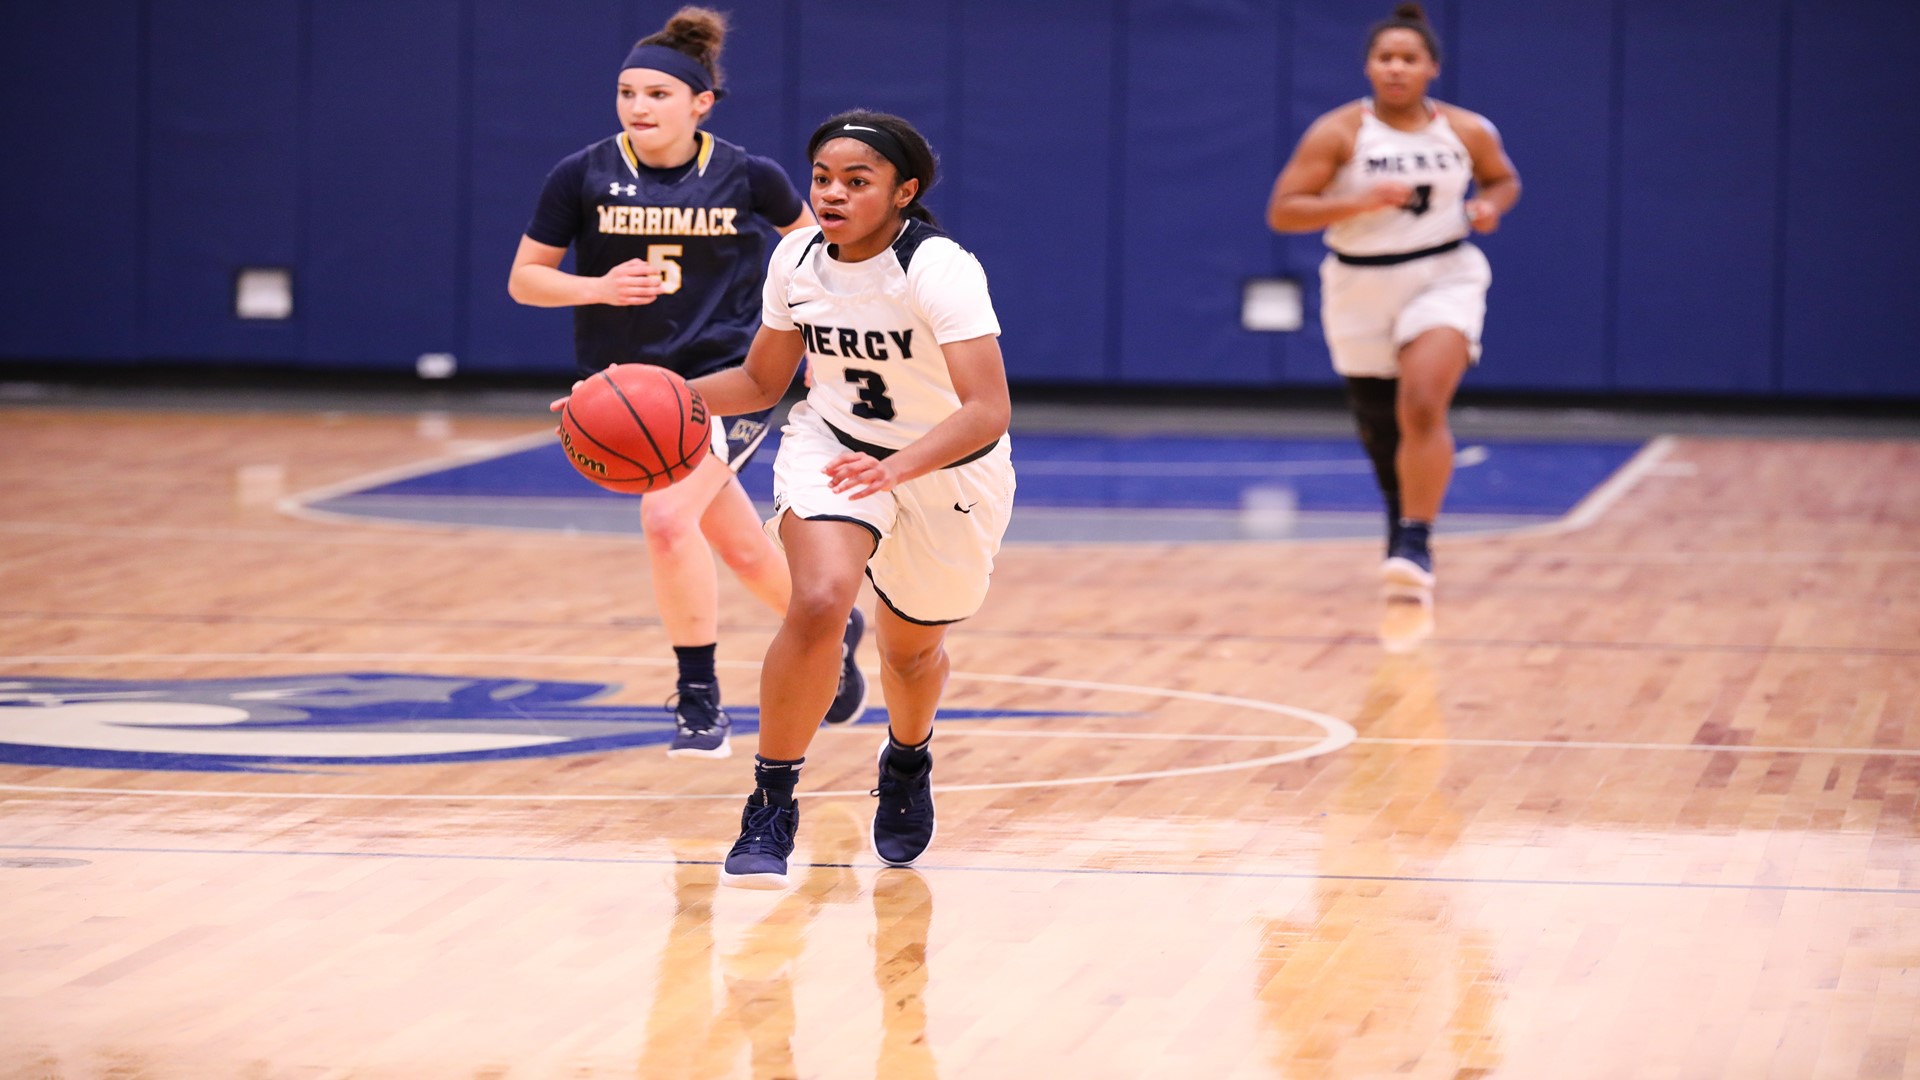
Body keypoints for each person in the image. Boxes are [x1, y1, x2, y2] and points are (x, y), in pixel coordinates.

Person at [510, 7, 868, 758]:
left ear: (700, 103)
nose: (639, 107)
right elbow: (526, 281)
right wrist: (597, 289)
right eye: (627, 92)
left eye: (658, 94)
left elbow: (817, 260)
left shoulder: (748, 175)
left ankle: (698, 695)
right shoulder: (582, 175)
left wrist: (811, 342)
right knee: (736, 548)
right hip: (626, 389)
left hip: (723, 383)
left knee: (668, 521)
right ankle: (833, 627)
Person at [684, 109, 1015, 889]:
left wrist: (900, 468)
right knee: (821, 598)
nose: (831, 194)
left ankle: (906, 757)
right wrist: (650, 394)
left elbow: (987, 410)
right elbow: (762, 383)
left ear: (903, 192)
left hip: (948, 463)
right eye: (822, 179)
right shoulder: (796, 257)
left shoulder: (940, 268)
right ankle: (772, 800)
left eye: (855, 182)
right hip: (834, 446)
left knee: (912, 650)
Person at [1266, 2, 1520, 602]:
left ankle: (1416, 538)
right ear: (1369, 68)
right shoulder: (1340, 132)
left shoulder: (1466, 129)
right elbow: (1284, 211)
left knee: (1423, 404)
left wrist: (1490, 207)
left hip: (1444, 274)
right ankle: (1400, 521)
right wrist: (1359, 202)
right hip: (1360, 284)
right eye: (1385, 58)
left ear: (1432, 66)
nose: (1396, 68)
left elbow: (1504, 178)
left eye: (1409, 58)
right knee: (1381, 428)